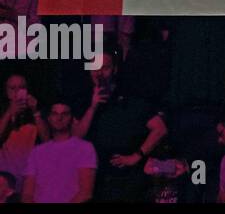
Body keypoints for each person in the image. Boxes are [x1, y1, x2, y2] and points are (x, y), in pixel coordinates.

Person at [74, 53, 167, 202]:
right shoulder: (83, 99)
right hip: (94, 176)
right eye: (95, 68)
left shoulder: (130, 97)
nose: (99, 73)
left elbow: (160, 129)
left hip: (126, 177)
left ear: (114, 70)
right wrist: (92, 107)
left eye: (105, 68)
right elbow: (76, 137)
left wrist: (137, 156)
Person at [22, 101, 96, 203]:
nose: (59, 118)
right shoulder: (37, 152)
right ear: (49, 118)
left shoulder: (84, 148)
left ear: (71, 118)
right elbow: (27, 194)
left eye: (64, 114)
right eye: (55, 114)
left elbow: (85, 192)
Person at [0, 74, 47, 180]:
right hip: (4, 177)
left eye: (22, 87)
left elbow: (47, 140)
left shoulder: (36, 112)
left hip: (29, 176)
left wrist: (35, 111)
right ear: (7, 92)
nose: (17, 91)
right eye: (13, 88)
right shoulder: (3, 112)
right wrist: (9, 113)